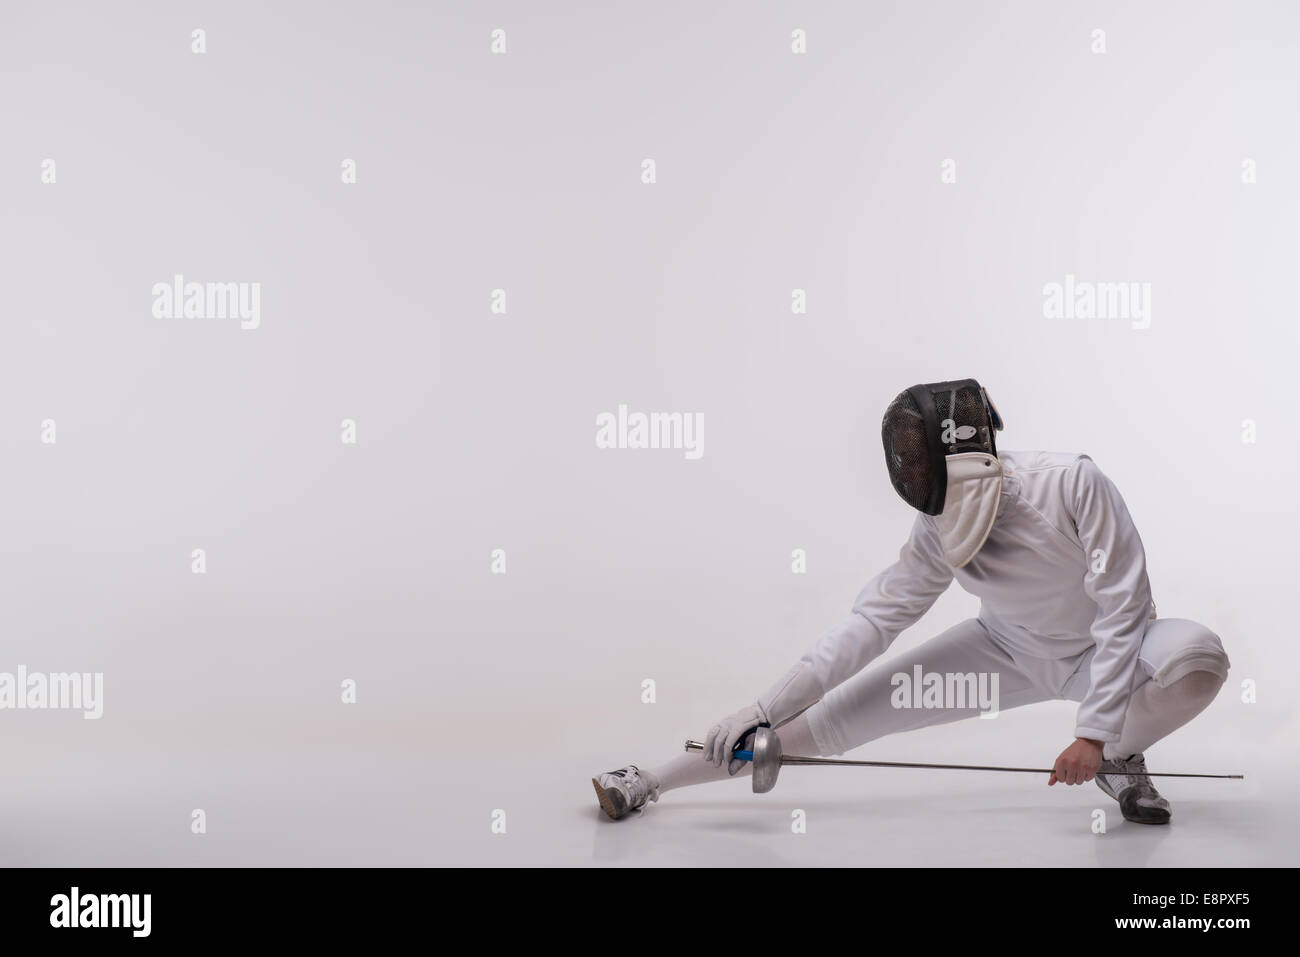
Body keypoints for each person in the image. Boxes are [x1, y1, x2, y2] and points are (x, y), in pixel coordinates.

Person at [591, 378, 1229, 825]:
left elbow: (1122, 606)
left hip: (1108, 654)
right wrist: (763, 706)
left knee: (1196, 659)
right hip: (1004, 652)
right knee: (823, 725)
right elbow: (874, 619)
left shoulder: (1072, 484)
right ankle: (648, 780)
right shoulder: (935, 532)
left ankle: (1120, 754)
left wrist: (1092, 735)